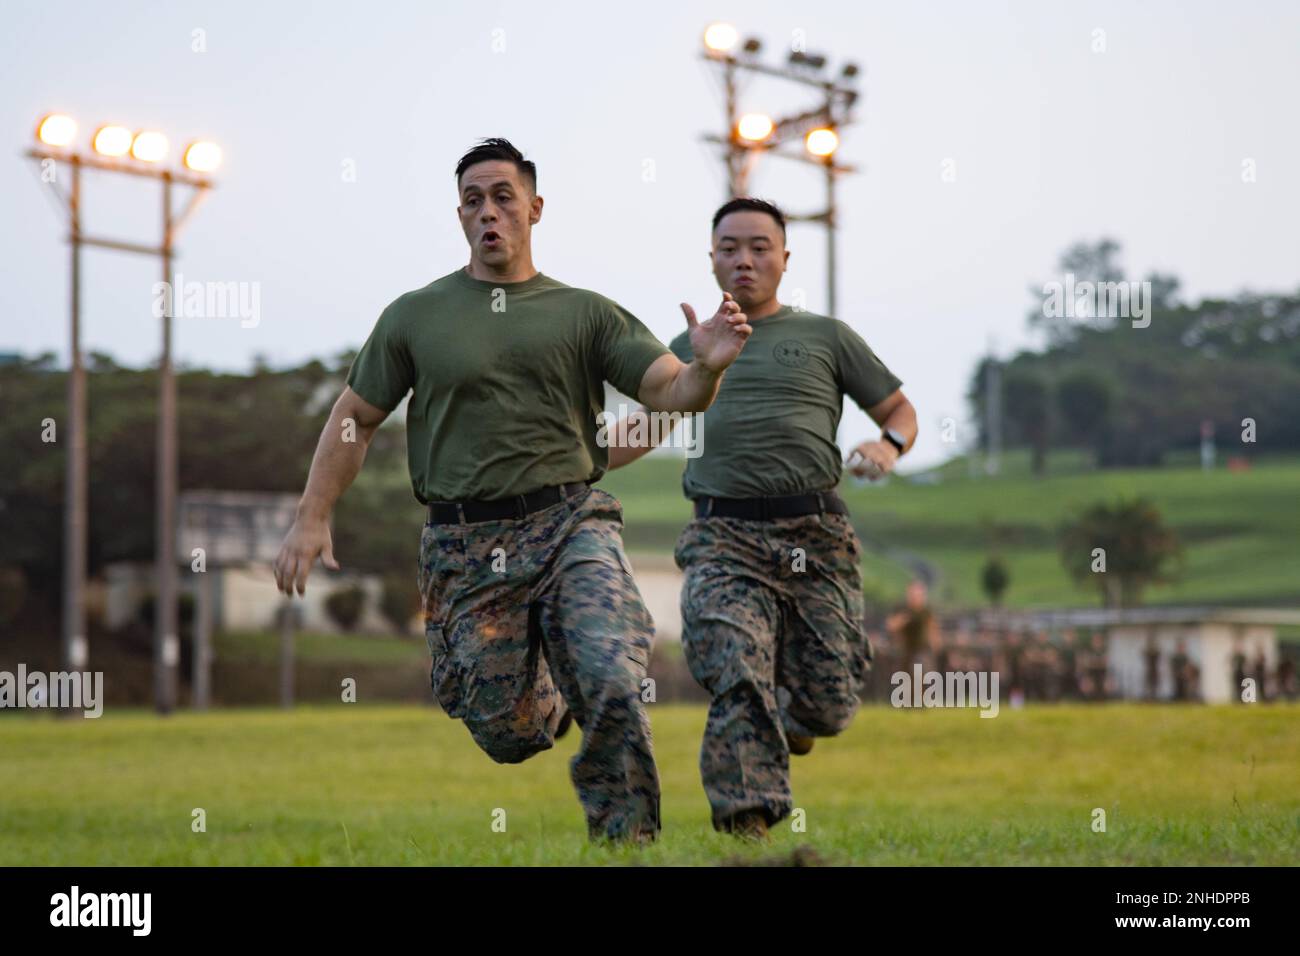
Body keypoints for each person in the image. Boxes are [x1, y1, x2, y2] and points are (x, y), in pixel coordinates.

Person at [271, 138, 753, 844]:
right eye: (474, 200)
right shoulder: (415, 316)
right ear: (459, 215)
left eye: (503, 196)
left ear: (535, 207)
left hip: (570, 525)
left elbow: (669, 391)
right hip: (464, 546)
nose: (489, 212)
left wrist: (705, 367)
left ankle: (627, 845)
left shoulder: (585, 313)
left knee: (613, 677)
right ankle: (542, 694)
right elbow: (355, 419)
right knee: (507, 733)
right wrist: (311, 516)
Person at [606, 197, 917, 839]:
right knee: (736, 664)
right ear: (712, 259)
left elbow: (898, 411)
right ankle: (747, 825)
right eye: (729, 248)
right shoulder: (689, 348)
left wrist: (887, 447)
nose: (744, 260)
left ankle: (795, 717)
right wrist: (565, 460)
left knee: (829, 706)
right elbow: (643, 428)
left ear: (784, 257)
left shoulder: (826, 337)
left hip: (817, 537)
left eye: (758, 246)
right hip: (724, 537)